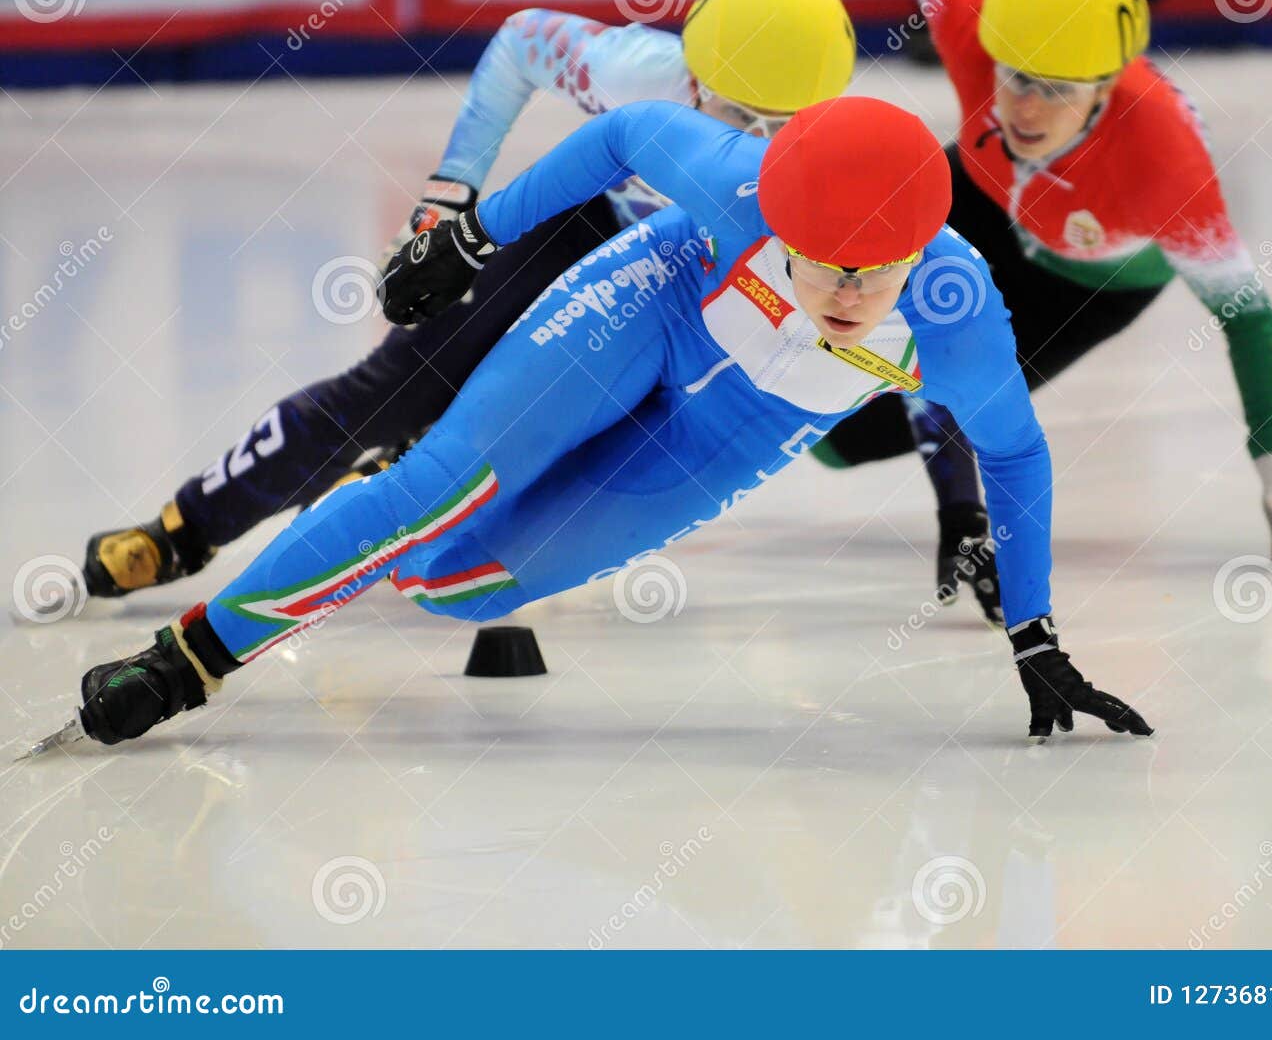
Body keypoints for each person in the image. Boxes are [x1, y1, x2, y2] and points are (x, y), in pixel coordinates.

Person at [73, 96, 1153, 748]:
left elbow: (1012, 450)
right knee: (442, 485)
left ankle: (395, 499)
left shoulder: (958, 318)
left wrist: (1035, 628)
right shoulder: (739, 187)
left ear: (924, 252)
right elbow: (626, 134)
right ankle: (191, 657)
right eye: (822, 264)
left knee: (455, 582)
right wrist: (472, 236)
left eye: (877, 275)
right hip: (660, 294)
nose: (847, 293)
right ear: (778, 220)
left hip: (740, 417)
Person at [68, 0, 876, 602]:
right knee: (398, 385)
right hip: (598, 228)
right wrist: (452, 192)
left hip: (702, 287)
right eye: (739, 119)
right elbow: (523, 43)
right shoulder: (635, 72)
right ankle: (186, 526)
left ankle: (417, 491)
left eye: (785, 128)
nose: (757, 149)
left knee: (552, 441)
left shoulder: (847, 156)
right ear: (692, 81)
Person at [806, 0, 1272, 575]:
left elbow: (1246, 315)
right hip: (980, 195)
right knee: (818, 315)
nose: (1024, 107)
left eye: (1058, 89)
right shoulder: (972, 24)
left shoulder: (1164, 162)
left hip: (1083, 284)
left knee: (842, 441)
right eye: (1016, 77)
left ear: (1105, 88)